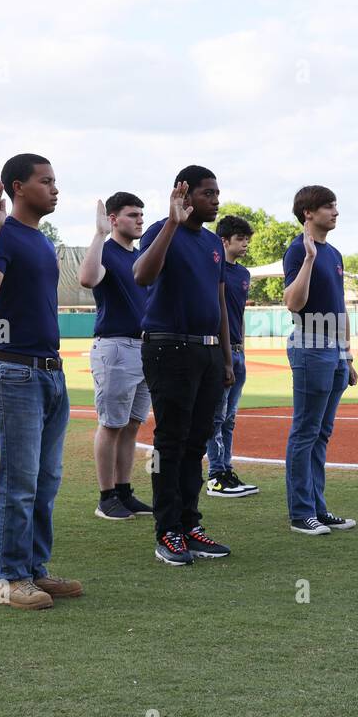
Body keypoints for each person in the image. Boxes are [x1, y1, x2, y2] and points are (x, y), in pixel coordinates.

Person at [0, 154, 81, 610]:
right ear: (18, 187)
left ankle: (35, 569)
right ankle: (10, 579)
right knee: (19, 480)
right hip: (14, 370)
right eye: (46, 181)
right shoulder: (4, 235)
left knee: (47, 479)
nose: (55, 189)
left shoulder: (40, 239)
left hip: (48, 371)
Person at [134, 166, 234, 566]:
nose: (216, 199)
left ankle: (190, 525)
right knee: (170, 442)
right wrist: (171, 225)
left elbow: (220, 302)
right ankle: (167, 531)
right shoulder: (161, 230)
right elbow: (142, 275)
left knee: (196, 443)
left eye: (217, 192)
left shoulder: (212, 244)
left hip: (208, 352)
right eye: (209, 193)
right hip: (168, 348)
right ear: (185, 194)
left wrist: (226, 357)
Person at [282, 186, 358, 535]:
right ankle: (301, 513)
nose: (335, 212)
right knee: (306, 431)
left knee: (322, 433)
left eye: (335, 205)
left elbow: (339, 306)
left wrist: (347, 355)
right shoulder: (299, 250)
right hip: (310, 343)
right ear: (308, 213)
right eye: (328, 206)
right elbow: (294, 303)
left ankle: (317, 507)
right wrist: (310, 260)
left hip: (333, 349)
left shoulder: (336, 253)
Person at [78, 192, 154, 521]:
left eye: (141, 214)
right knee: (111, 425)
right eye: (132, 214)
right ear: (113, 219)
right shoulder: (105, 251)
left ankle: (124, 491)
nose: (140, 219)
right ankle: (106, 496)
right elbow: (86, 279)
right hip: (116, 346)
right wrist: (99, 234)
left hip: (143, 348)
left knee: (132, 425)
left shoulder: (139, 257)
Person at [205, 214, 259, 499]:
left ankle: (226, 470)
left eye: (247, 239)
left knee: (230, 418)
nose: (245, 244)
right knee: (217, 416)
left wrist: (242, 350)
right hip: (217, 351)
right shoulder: (212, 269)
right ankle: (215, 475)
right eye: (240, 239)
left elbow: (239, 318)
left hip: (238, 352)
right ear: (224, 241)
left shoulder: (243, 274)